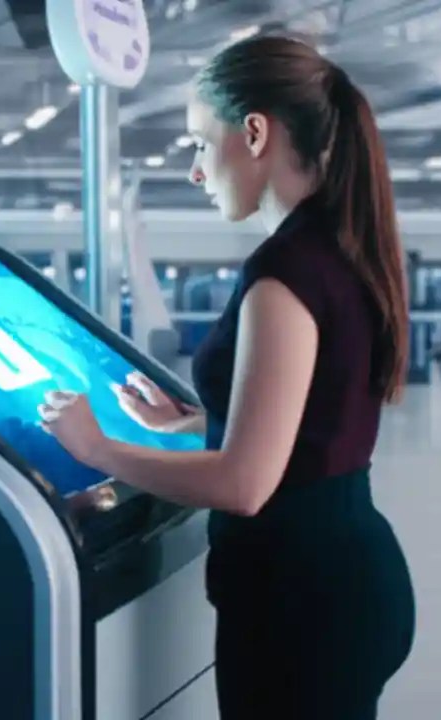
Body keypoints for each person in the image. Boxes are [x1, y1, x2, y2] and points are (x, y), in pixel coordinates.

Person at [38, 35, 416, 719]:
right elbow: (316, 424)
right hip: (347, 577)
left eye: (197, 145)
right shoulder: (342, 250)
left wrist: (96, 448)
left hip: (300, 607)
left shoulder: (284, 275)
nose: (195, 172)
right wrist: (190, 424)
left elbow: (245, 486)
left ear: (253, 133)